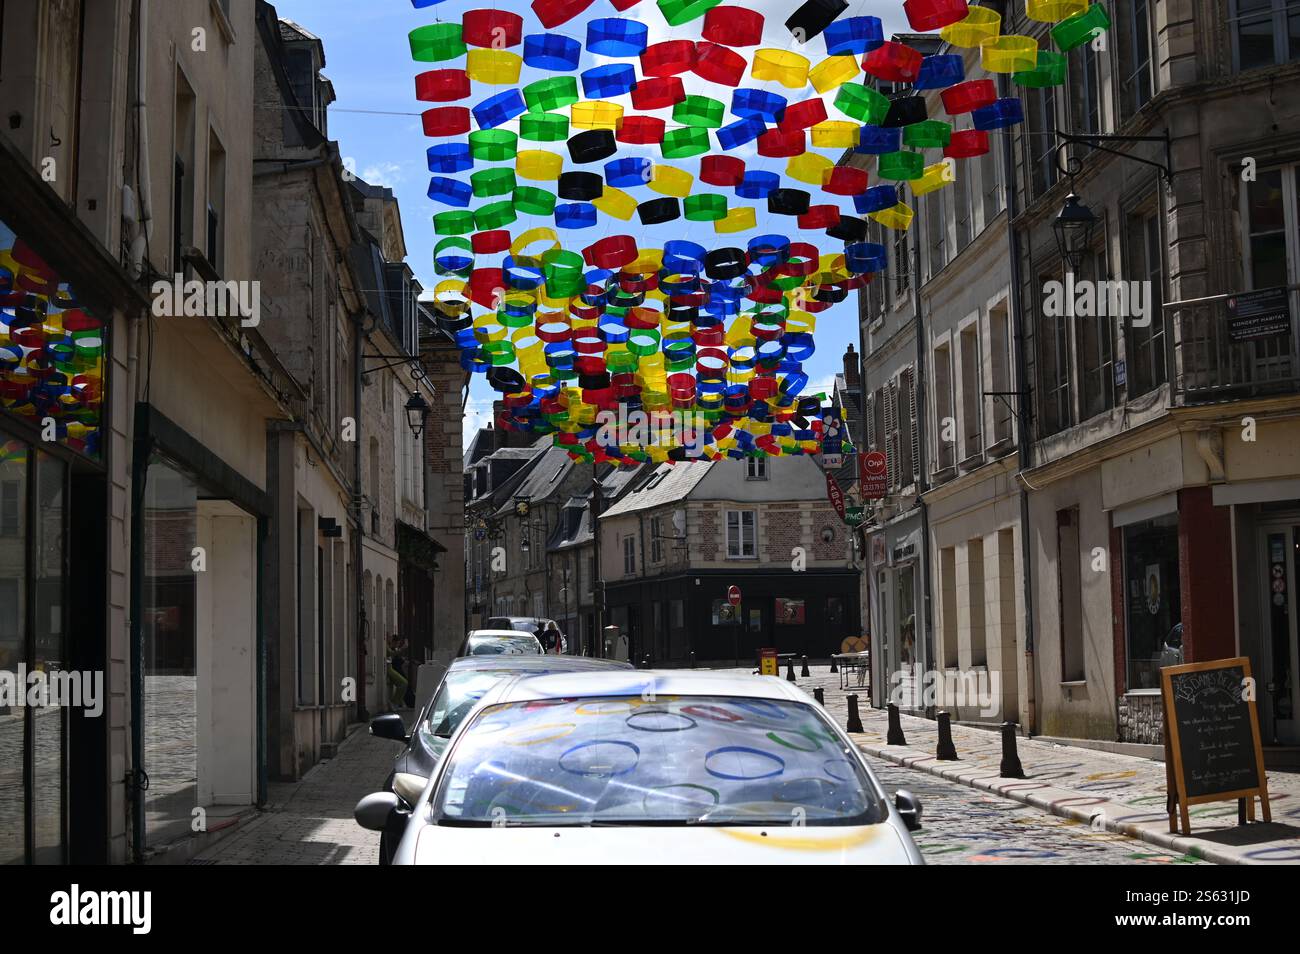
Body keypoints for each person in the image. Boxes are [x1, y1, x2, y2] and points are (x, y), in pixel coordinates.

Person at [387, 634, 409, 709]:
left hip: (390, 667)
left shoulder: (390, 647)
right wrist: (402, 648)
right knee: (403, 683)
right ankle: (394, 702)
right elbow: (391, 653)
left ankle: (398, 702)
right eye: (389, 637)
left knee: (404, 683)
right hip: (388, 668)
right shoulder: (386, 646)